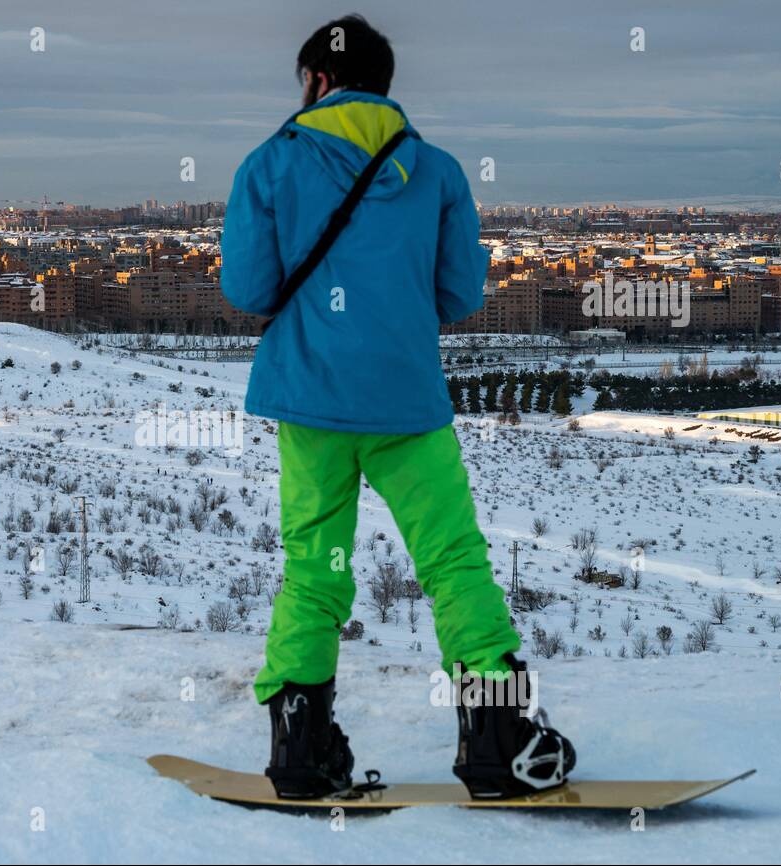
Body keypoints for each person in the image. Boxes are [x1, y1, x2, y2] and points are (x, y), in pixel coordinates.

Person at [220, 14, 575, 799]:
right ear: (384, 84)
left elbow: (246, 290)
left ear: (314, 81)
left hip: (310, 405)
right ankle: (495, 740)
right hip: (407, 405)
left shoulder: (267, 165)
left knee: (314, 571)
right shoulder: (439, 172)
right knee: (452, 562)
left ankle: (299, 748)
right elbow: (457, 293)